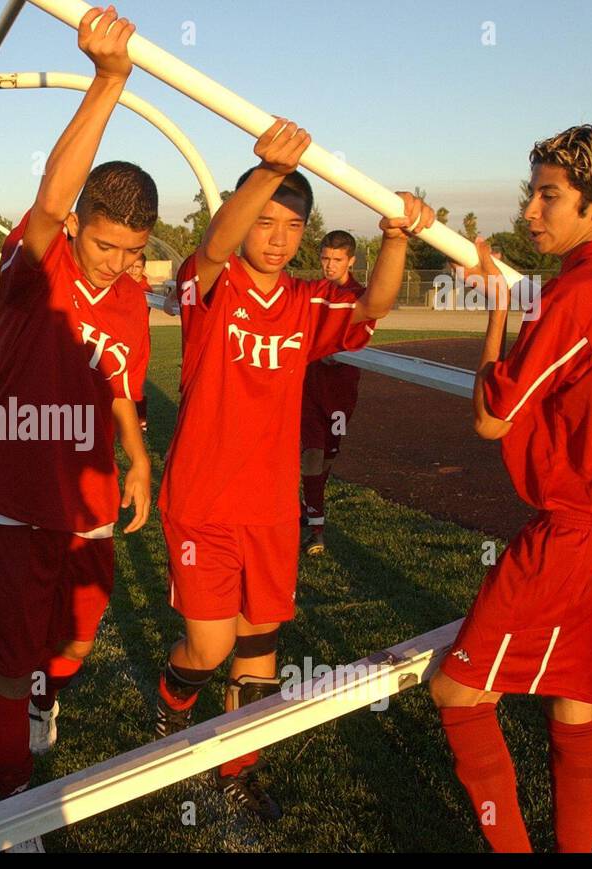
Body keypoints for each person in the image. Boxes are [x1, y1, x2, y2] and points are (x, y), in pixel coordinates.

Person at [153, 118, 431, 821]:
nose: (275, 236)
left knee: (260, 658)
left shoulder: (308, 303)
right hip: (205, 501)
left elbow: (376, 305)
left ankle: (236, 770)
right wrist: (268, 172)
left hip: (273, 509)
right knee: (210, 645)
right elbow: (216, 242)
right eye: (264, 218)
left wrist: (397, 238)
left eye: (291, 225)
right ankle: (173, 697)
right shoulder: (207, 284)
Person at [429, 125, 592, 853]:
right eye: (531, 193)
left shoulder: (581, 291)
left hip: (584, 532)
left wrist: (495, 311)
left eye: (549, 196)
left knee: (459, 692)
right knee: (574, 701)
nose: (530, 211)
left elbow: (491, 418)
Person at [0, 5, 154, 852]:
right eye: (106, 243)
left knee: (72, 643)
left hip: (92, 503)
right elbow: (50, 191)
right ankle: (13, 811)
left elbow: (119, 387)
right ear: (80, 224)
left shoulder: (132, 300)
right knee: (10, 661)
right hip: (8, 505)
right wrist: (109, 80)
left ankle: (48, 693)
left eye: (132, 249)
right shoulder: (35, 267)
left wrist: (141, 458)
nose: (116, 262)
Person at [299, 230, 365, 555]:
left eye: (337, 260)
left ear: (350, 260)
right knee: (310, 454)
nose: (329, 265)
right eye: (325, 258)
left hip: (341, 392)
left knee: (326, 460)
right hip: (309, 386)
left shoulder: (361, 296)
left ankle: (309, 505)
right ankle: (317, 531)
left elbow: (362, 335)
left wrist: (339, 350)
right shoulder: (314, 292)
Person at [124, 256, 153, 429]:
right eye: (131, 266)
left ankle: (140, 419)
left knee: (136, 381)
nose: (133, 270)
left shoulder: (144, 289)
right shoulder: (121, 283)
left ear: (143, 269)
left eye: (138, 267)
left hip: (138, 342)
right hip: (119, 339)